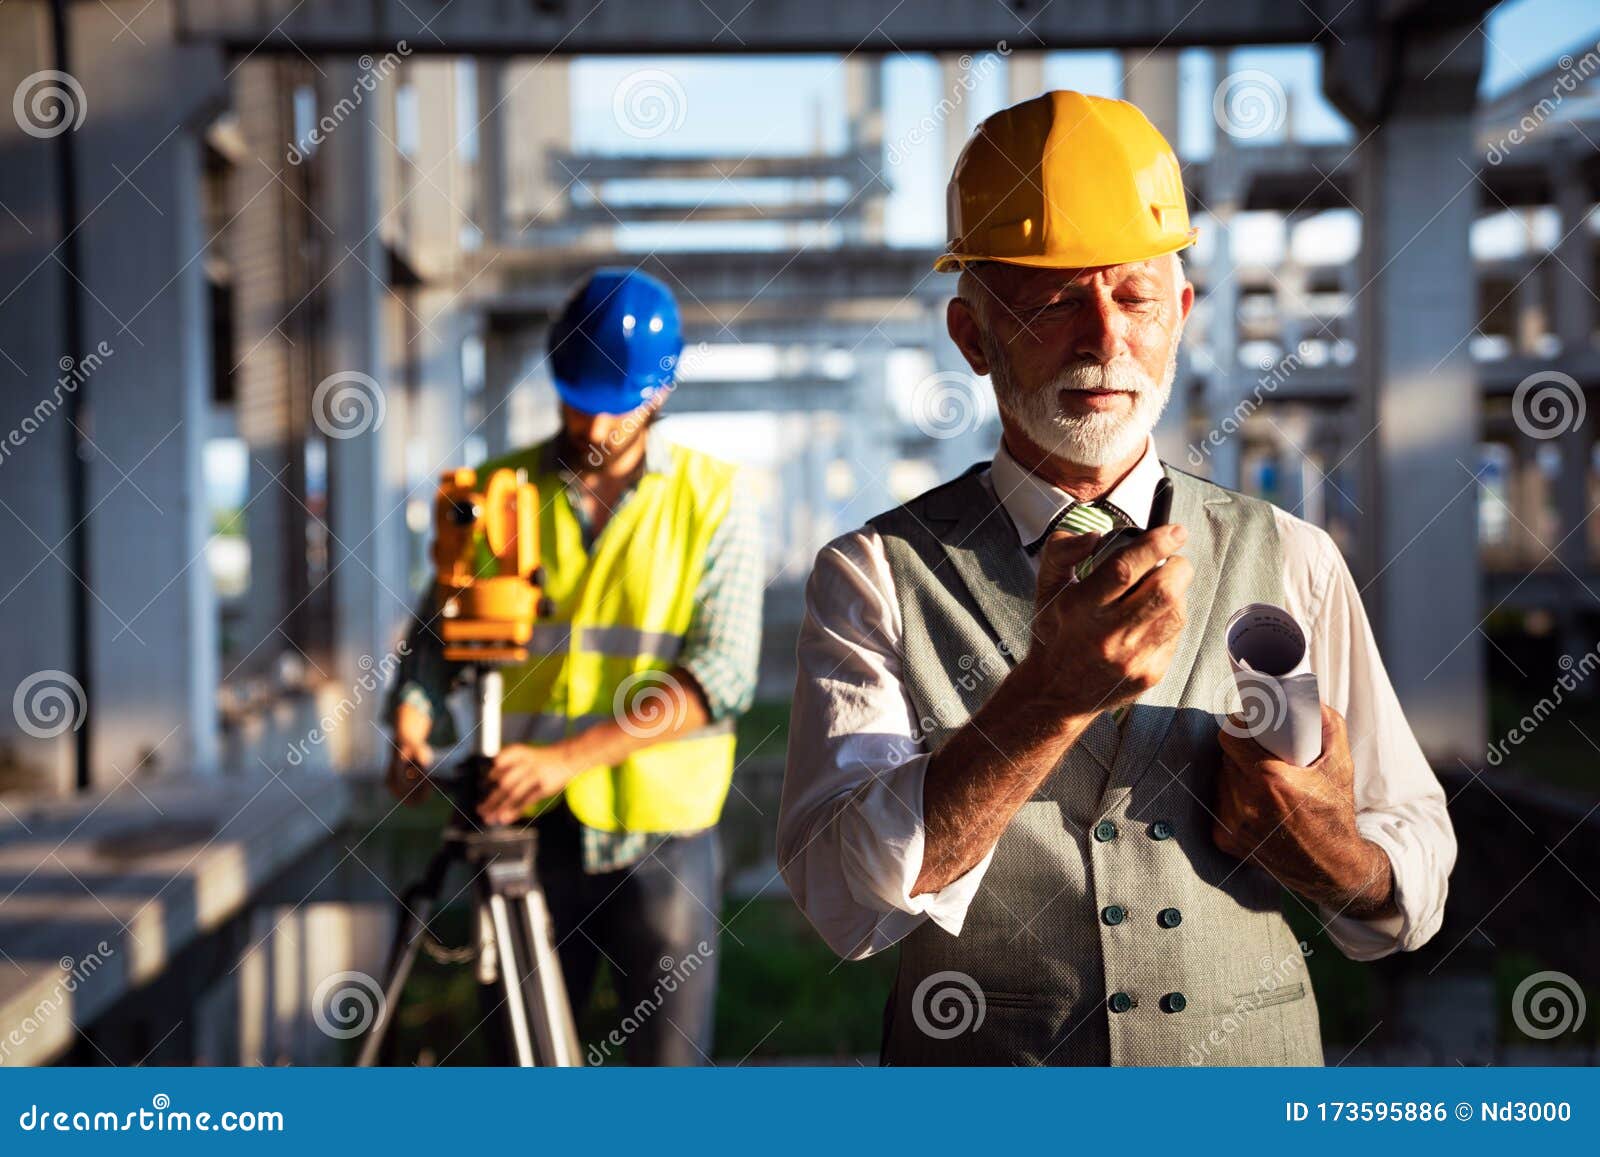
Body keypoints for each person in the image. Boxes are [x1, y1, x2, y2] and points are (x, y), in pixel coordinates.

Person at [777, 91, 1456, 1066]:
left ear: (1177, 315)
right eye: (1052, 300)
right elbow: (848, 899)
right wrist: (1044, 697)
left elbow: (1413, 874)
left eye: (1132, 295)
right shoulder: (874, 575)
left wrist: (1334, 853)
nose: (1102, 337)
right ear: (971, 336)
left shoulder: (1291, 555)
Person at [386, 268, 762, 1066]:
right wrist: (411, 718)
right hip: (520, 833)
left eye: (613, 400)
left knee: (665, 1083)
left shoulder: (713, 499)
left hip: (661, 836)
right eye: (576, 393)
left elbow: (721, 676)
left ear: (657, 395)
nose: (591, 417)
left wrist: (565, 759)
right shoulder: (495, 491)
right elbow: (434, 639)